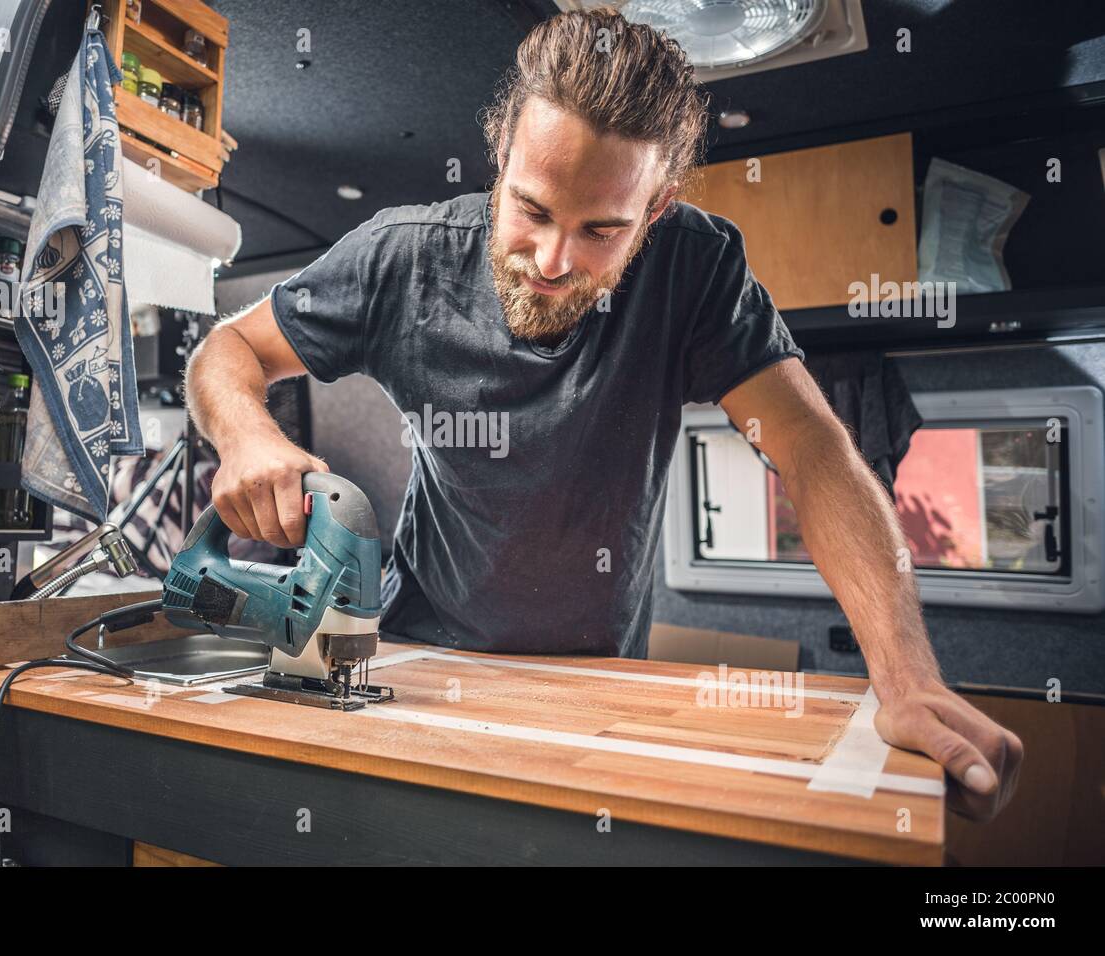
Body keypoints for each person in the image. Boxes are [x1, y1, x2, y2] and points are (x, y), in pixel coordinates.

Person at [185, 9, 1021, 821]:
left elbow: (809, 447)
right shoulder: (402, 259)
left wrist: (906, 677)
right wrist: (249, 435)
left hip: (598, 674)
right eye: (533, 210)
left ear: (653, 214)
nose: (553, 261)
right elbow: (227, 350)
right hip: (415, 654)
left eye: (600, 231)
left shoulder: (695, 267)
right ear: (501, 154)